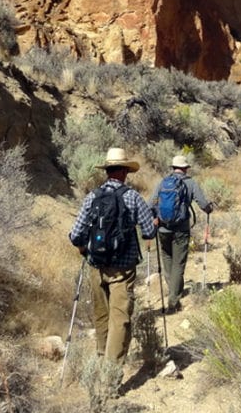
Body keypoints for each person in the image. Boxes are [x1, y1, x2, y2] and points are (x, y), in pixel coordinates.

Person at [69, 147, 156, 369]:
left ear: (107, 171)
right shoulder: (133, 198)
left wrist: (84, 248)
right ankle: (111, 372)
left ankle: (101, 357)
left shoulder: (92, 197)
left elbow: (75, 234)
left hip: (96, 266)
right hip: (123, 269)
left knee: (101, 315)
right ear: (125, 172)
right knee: (120, 319)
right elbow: (148, 231)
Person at [150, 154, 213, 314]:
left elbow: (151, 203)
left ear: (173, 168)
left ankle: (173, 290)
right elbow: (203, 203)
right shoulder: (190, 183)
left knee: (167, 259)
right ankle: (173, 299)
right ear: (185, 168)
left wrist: (155, 217)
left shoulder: (163, 183)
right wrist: (209, 209)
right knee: (179, 263)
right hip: (181, 229)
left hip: (163, 228)